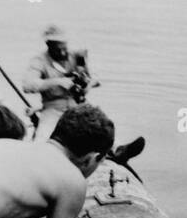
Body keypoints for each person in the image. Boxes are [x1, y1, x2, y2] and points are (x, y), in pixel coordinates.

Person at [22, 25, 143, 164]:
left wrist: (88, 84)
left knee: (101, 126)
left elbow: (96, 77)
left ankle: (119, 151)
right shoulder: (39, 61)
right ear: (49, 45)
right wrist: (57, 82)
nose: (62, 51)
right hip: (53, 107)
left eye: (64, 46)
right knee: (43, 139)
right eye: (57, 47)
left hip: (78, 104)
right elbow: (28, 85)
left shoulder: (76, 56)